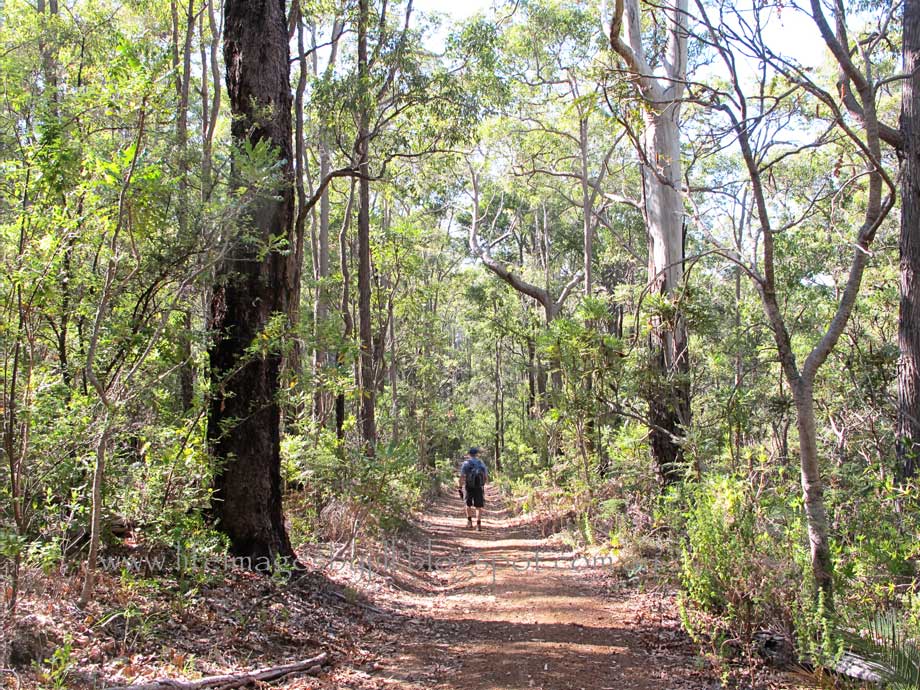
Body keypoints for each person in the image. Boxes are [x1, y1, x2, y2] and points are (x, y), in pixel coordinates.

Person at [458, 447, 488, 531]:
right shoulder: (481, 463)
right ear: (477, 454)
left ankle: (469, 522)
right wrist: (483, 484)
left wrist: (460, 486)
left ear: (469, 454)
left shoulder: (466, 463)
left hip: (468, 486)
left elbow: (462, 476)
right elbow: (485, 476)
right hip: (478, 486)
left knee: (468, 504)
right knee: (478, 506)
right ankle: (478, 524)